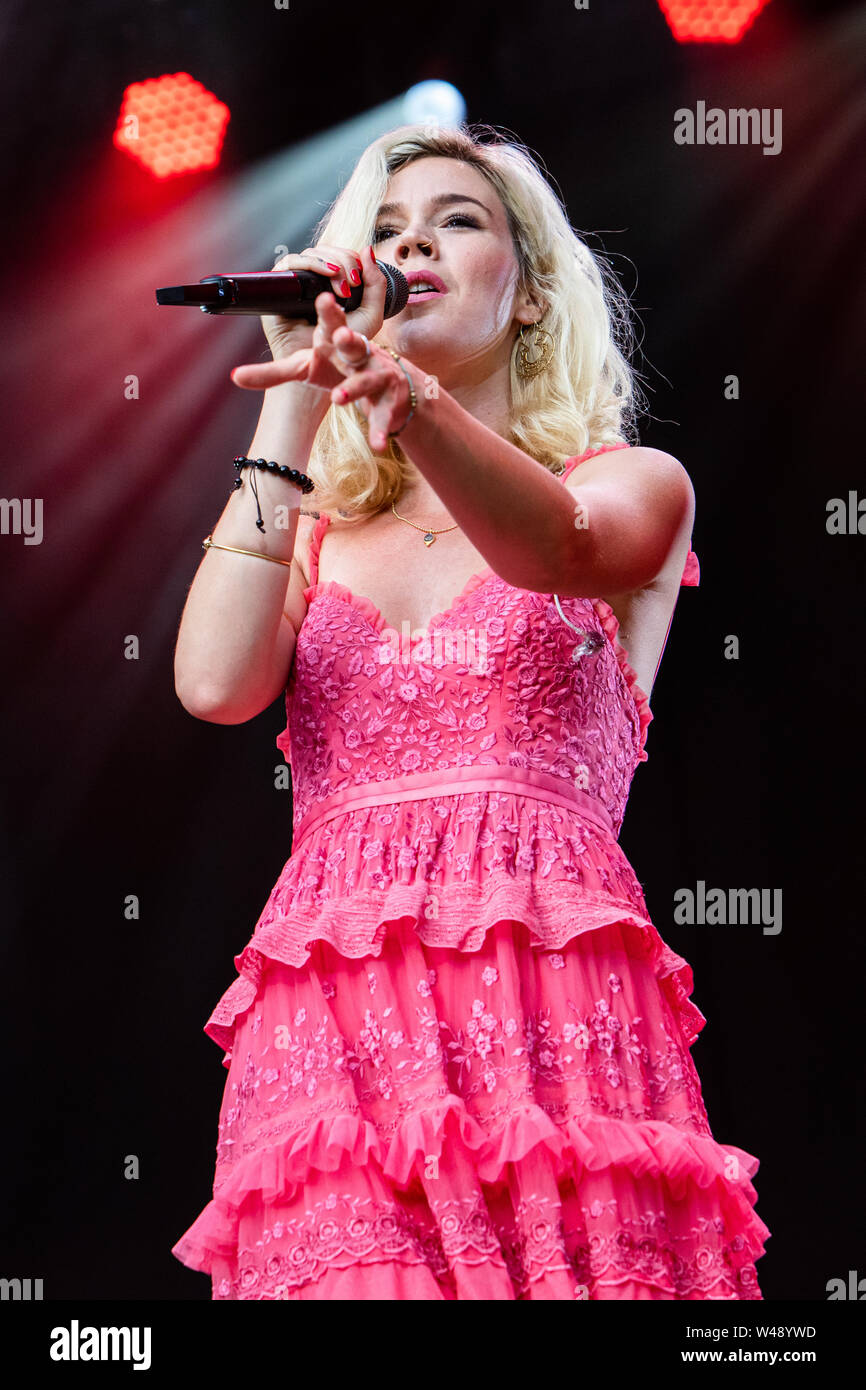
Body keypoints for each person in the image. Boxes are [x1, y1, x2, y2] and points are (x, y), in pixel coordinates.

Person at [171, 122, 770, 1299]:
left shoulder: (628, 482)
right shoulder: (322, 531)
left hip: (548, 1019)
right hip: (334, 1027)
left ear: (532, 293)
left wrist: (411, 403)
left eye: (454, 221)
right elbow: (212, 682)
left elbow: (557, 547)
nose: (410, 245)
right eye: (386, 231)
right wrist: (294, 397)